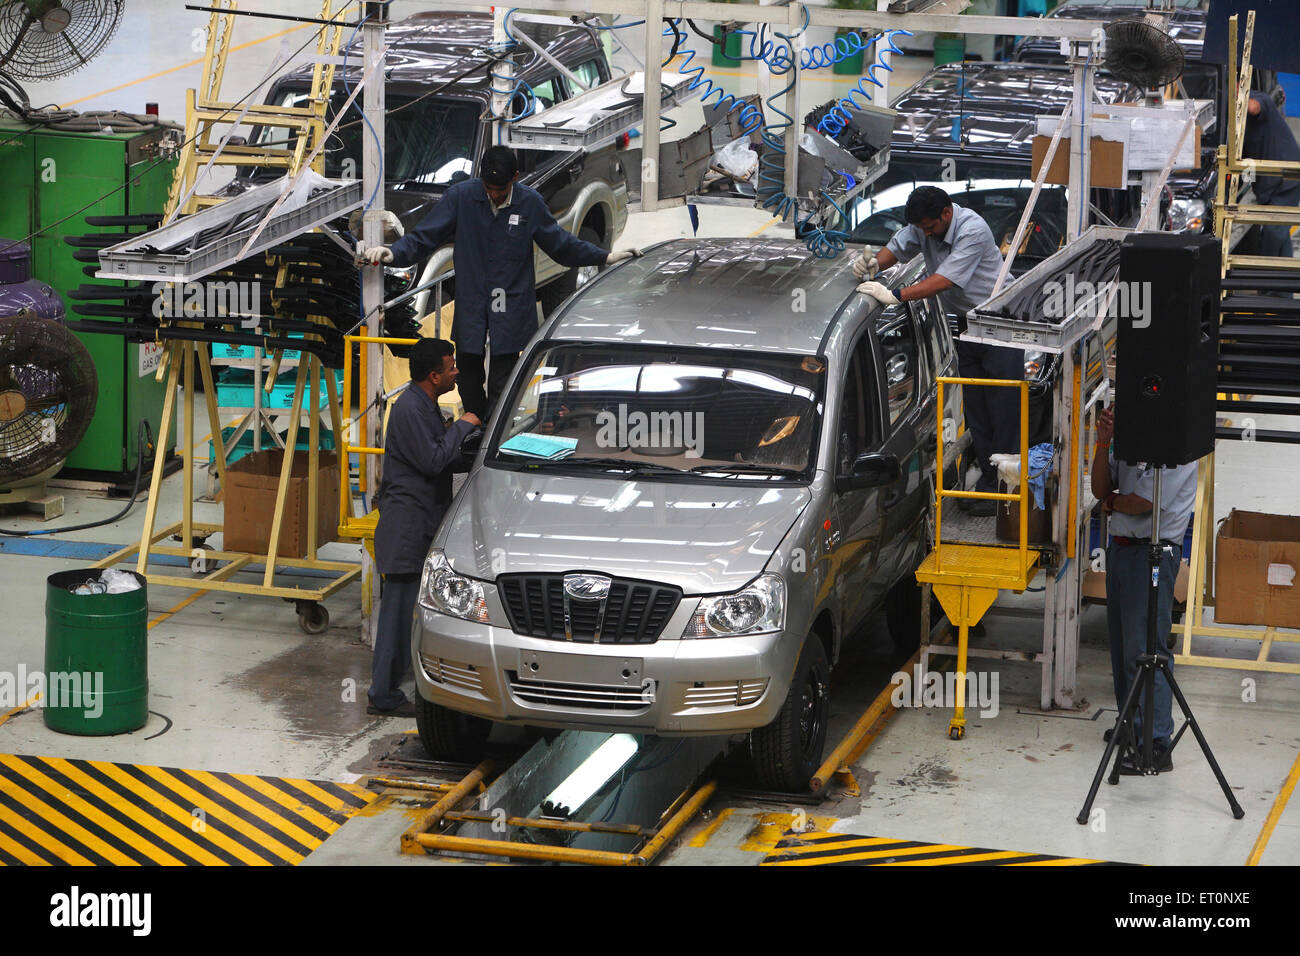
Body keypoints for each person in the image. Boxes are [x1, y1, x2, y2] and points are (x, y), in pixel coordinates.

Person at [358, 145, 637, 420]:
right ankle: (476, 425)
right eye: (489, 188)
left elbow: (560, 244)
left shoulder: (529, 202)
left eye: (500, 190)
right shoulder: (461, 198)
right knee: (467, 375)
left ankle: (491, 434)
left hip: (511, 304)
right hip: (473, 302)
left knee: (504, 380)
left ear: (514, 178)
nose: (493, 195)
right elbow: (425, 236)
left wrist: (606, 255)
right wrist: (393, 253)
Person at [853, 185, 1022, 515]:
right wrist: (873, 265)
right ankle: (989, 477)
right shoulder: (926, 226)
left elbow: (946, 279)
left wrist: (897, 294)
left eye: (929, 227)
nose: (925, 234)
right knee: (977, 406)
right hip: (971, 323)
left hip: (1001, 323)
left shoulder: (972, 229)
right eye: (922, 229)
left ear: (947, 214)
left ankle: (1006, 491)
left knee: (1003, 408)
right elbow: (898, 248)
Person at [367, 338, 481, 717]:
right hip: (406, 525)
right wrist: (463, 425)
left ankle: (398, 685)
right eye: (451, 368)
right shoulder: (410, 410)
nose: (456, 372)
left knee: (410, 613)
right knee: (397, 613)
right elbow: (434, 460)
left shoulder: (425, 406)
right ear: (434, 376)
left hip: (421, 521)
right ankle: (381, 694)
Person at [1090, 404, 1198, 773]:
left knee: (1147, 647)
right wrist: (1103, 444)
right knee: (1123, 647)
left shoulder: (1177, 448)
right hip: (1121, 551)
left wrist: (1113, 503)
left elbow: (1142, 503)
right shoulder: (1133, 441)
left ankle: (1155, 742)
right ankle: (1130, 724)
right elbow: (1099, 487)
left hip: (1151, 555)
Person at [1243, 91, 1300, 259]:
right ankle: (1285, 281)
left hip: (1286, 181)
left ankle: (1266, 282)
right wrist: (1251, 189)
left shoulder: (1262, 100)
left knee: (1272, 234)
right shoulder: (1240, 128)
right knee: (1279, 235)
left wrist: (1235, 99)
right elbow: (1246, 159)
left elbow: (1254, 107)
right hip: (1268, 187)